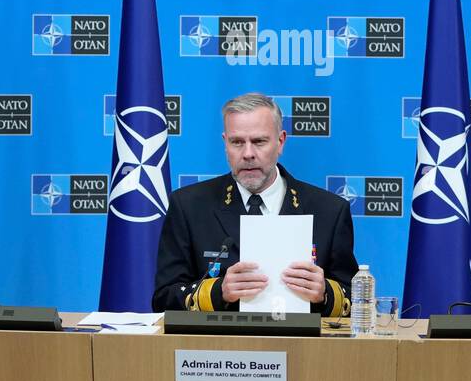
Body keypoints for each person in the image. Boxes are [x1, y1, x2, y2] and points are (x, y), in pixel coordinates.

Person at [152, 93, 357, 316]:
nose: (248, 154)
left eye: (259, 141)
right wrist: (218, 292)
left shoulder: (330, 210)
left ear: (280, 142)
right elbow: (163, 300)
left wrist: (325, 292)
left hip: (303, 347)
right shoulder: (188, 206)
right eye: (237, 142)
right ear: (225, 143)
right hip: (216, 349)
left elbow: (356, 300)